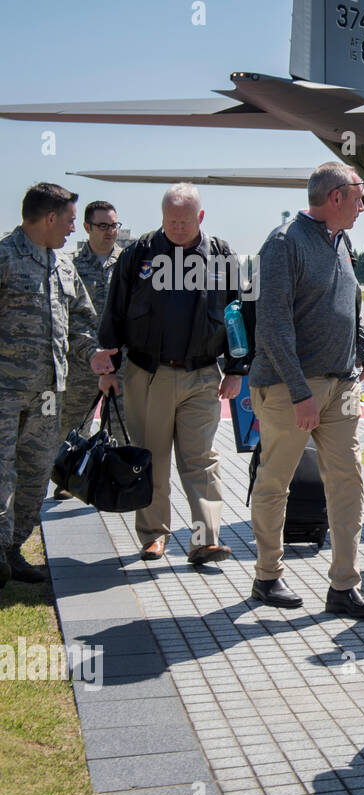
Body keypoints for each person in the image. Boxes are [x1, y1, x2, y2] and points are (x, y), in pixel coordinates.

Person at [246, 161, 364, 619]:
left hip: (342, 384)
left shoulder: (341, 242)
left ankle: (344, 587)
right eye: (359, 197)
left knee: (348, 482)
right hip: (291, 389)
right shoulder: (284, 243)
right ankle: (267, 576)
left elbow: (350, 309)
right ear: (336, 197)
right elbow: (273, 325)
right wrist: (300, 391)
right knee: (275, 481)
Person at [94, 184, 246, 564]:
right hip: (148, 373)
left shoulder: (222, 255)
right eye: (170, 220)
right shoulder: (138, 254)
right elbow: (114, 311)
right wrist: (108, 367)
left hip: (202, 375)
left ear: (201, 217)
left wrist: (237, 367)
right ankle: (153, 535)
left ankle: (204, 540)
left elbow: (239, 314)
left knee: (200, 460)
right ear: (162, 218)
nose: (177, 227)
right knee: (152, 458)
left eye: (185, 220)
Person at [0, 183, 100, 585]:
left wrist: (92, 354)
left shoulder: (62, 265)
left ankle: (12, 550)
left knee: (37, 471)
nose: (74, 230)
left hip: (47, 394)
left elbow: (81, 320)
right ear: (50, 217)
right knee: (1, 473)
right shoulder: (5, 258)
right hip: (5, 390)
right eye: (72, 220)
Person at [56, 200, 122, 485]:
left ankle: (115, 482)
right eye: (103, 226)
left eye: (114, 225)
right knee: (73, 427)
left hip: (120, 363)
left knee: (119, 425)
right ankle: (68, 481)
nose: (110, 231)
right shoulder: (70, 264)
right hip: (80, 363)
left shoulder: (128, 263)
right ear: (87, 227)